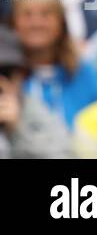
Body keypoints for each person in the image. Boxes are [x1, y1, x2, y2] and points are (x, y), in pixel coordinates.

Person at [9, 0, 97, 128]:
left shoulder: (83, 72)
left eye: (45, 15)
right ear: (14, 23)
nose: (36, 23)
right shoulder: (6, 75)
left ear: (61, 23)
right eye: (27, 15)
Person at [0, 28, 71, 158]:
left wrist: (17, 130)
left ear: (23, 75)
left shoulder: (35, 111)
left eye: (5, 72)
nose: (1, 82)